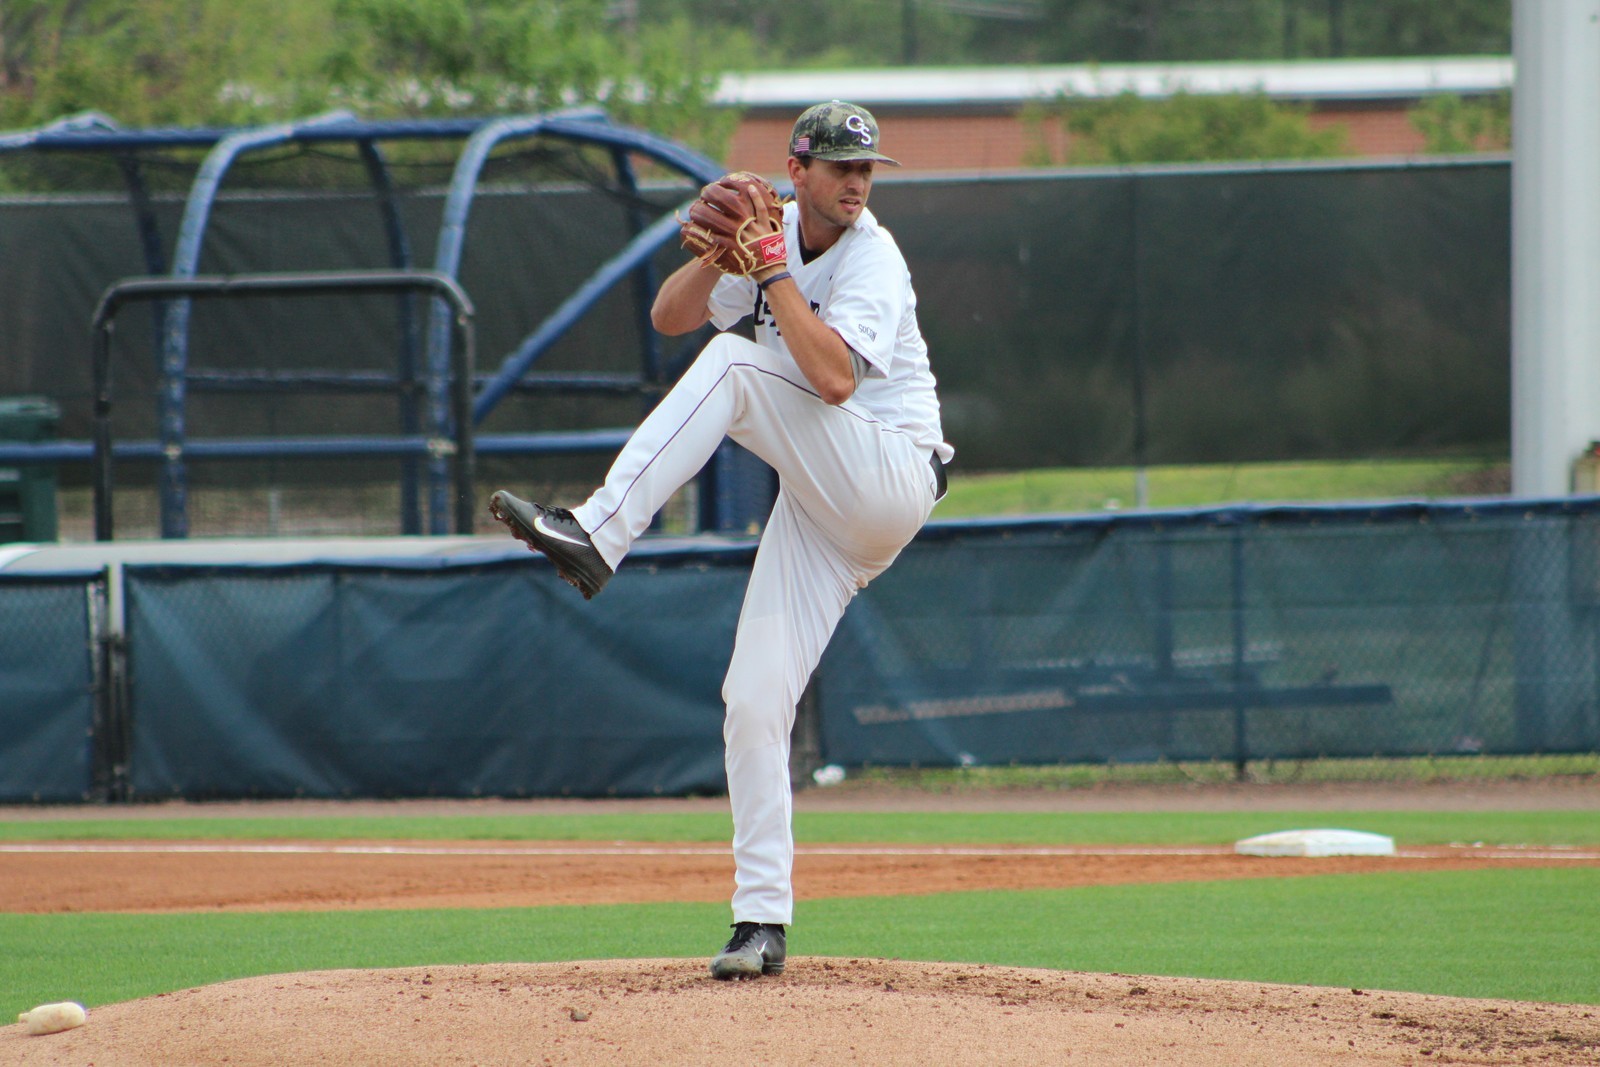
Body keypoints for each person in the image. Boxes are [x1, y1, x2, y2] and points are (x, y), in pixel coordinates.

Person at [489, 100, 951, 980]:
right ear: (798, 169)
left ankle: (597, 530)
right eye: (842, 166)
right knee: (752, 699)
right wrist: (713, 256)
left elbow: (831, 378)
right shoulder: (771, 233)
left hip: (889, 473)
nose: (857, 181)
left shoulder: (873, 258)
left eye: (867, 168)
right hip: (823, 509)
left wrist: (772, 270)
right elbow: (669, 318)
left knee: (738, 365)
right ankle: (761, 922)